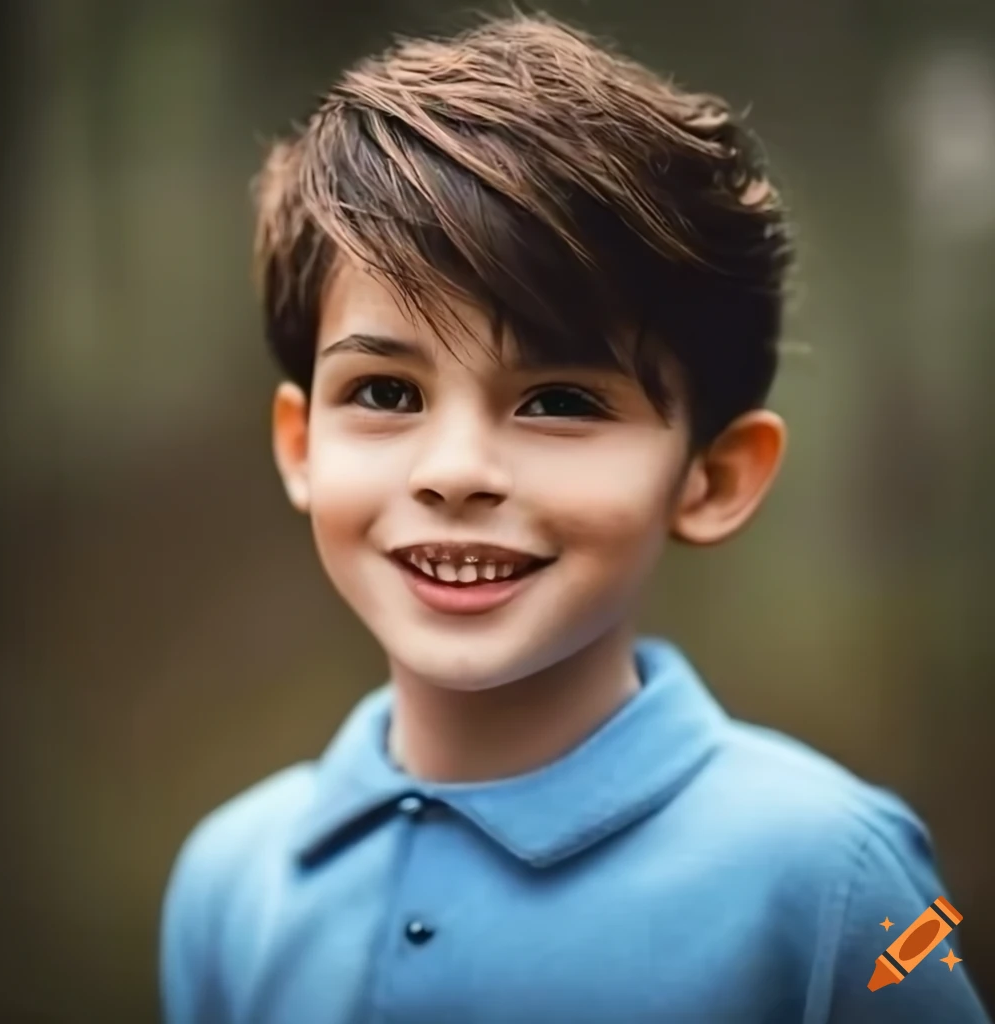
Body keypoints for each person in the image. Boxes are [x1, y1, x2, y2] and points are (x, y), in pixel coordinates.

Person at [159, 12, 990, 1023]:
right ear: (300, 444)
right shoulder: (230, 882)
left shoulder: (826, 878)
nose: (455, 471)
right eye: (383, 392)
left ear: (713, 477)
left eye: (559, 401)